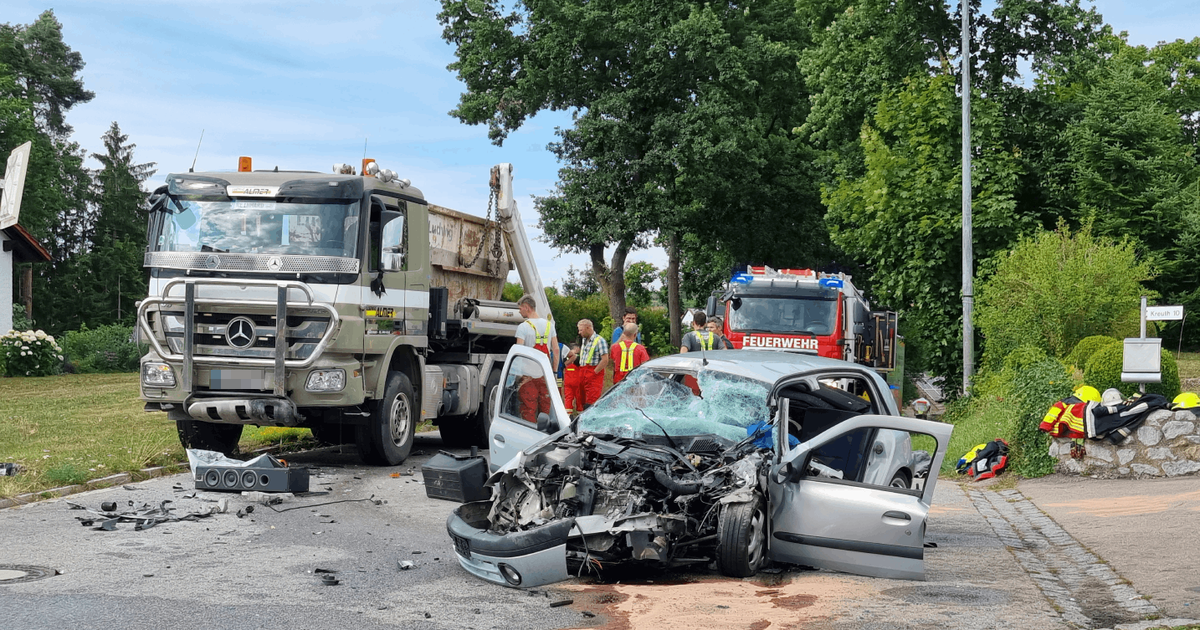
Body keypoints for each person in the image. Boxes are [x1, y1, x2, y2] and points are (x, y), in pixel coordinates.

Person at [515, 294, 559, 368]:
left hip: (528, 372)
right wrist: (554, 372)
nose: (519, 312)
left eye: (520, 309)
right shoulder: (549, 325)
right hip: (545, 371)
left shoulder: (522, 327)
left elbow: (519, 352)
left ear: (526, 307)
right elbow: (556, 349)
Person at [576, 319, 609, 409]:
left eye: (581, 330)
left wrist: (594, 372)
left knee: (591, 403)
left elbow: (605, 360)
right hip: (582, 373)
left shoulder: (600, 341)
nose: (579, 332)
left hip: (593, 376)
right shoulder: (584, 340)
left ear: (588, 328)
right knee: (581, 401)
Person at [561, 343, 583, 414]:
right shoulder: (579, 357)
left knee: (568, 397)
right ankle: (580, 412)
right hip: (577, 380)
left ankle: (568, 414)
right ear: (576, 348)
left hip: (567, 381)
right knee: (579, 398)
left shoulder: (565, 357)